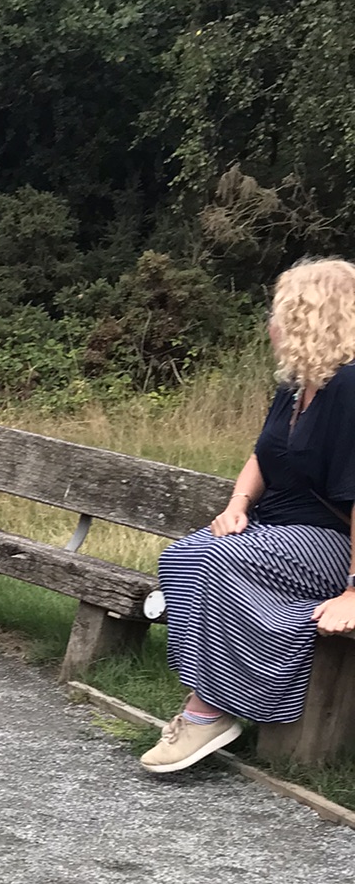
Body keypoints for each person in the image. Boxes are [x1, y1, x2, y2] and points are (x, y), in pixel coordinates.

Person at [141, 256, 355, 773]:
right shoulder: (295, 386)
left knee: (216, 562)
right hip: (277, 529)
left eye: (281, 313)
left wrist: (354, 591)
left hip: (332, 540)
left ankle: (207, 711)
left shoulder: (350, 389)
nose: (271, 325)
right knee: (186, 556)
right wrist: (238, 505)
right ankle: (250, 679)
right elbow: (262, 455)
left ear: (312, 317)